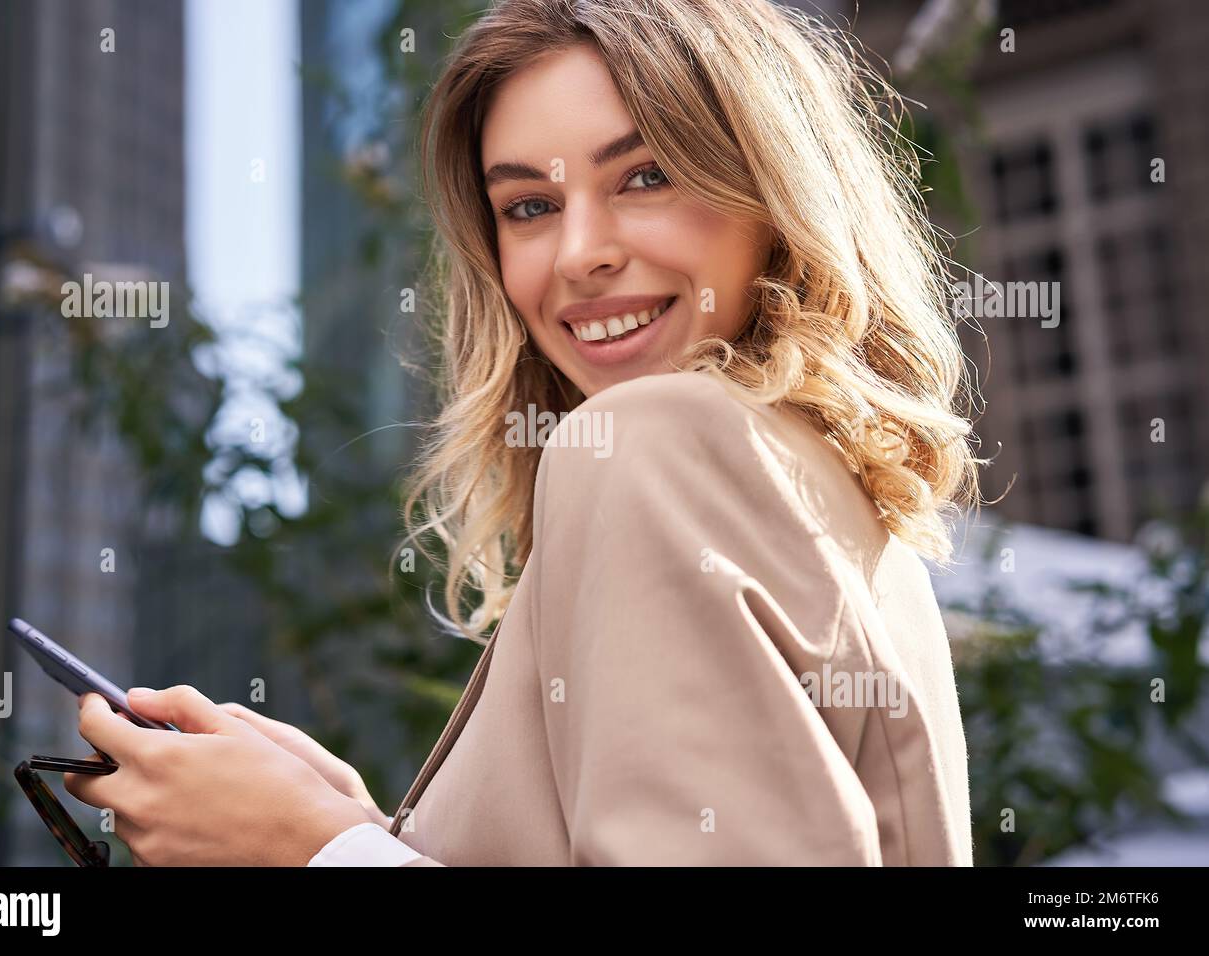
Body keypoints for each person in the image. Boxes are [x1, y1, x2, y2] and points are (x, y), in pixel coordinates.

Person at [67, 0, 984, 866]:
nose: (580, 251)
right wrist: (362, 827)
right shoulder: (835, 510)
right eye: (530, 208)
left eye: (646, 175)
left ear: (772, 192)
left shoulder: (654, 440)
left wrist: (316, 848)